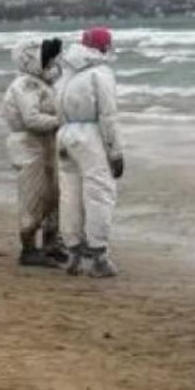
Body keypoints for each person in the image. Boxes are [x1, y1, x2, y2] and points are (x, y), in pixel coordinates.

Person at [53, 28, 124, 277]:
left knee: (70, 194)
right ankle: (99, 256)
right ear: (104, 47)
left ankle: (74, 251)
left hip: (64, 134)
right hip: (90, 136)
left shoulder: (66, 72)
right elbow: (107, 115)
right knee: (99, 193)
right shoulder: (100, 73)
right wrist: (115, 152)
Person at [2, 38, 68, 267]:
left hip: (46, 143)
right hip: (29, 145)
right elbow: (31, 119)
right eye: (46, 57)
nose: (51, 62)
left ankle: (52, 244)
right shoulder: (24, 86)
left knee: (53, 196)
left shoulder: (41, 84)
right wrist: (62, 122)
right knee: (33, 196)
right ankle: (29, 248)